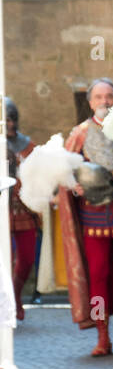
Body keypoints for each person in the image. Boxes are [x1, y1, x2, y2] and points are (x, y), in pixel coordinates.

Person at [62, 78, 113, 356]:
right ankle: (103, 334)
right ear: (91, 101)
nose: (104, 101)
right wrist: (74, 186)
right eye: (98, 97)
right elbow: (66, 172)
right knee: (98, 275)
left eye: (109, 96)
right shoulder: (80, 133)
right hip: (93, 215)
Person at [5, 99, 39, 321]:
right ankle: (9, 303)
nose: (7, 123)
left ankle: (16, 295)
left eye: (10, 118)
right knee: (5, 261)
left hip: (25, 209)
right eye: (3, 119)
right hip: (2, 211)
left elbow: (38, 174)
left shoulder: (28, 146)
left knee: (26, 259)